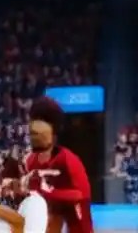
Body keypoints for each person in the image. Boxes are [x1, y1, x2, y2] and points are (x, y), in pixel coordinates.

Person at [23, 97, 92, 233]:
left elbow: (81, 195)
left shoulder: (68, 160)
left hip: (75, 209)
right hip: (52, 208)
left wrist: (48, 192)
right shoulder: (31, 161)